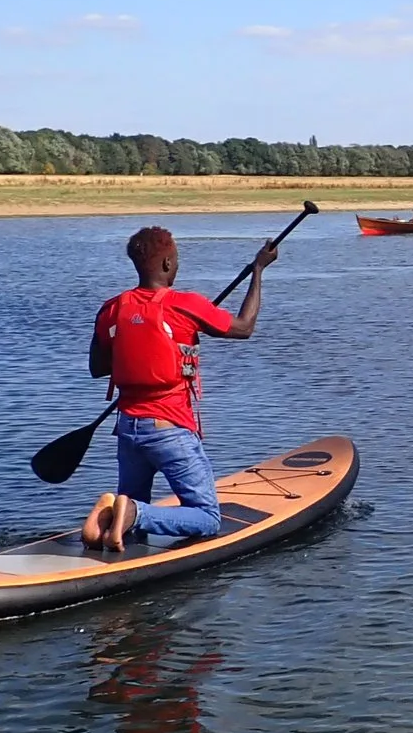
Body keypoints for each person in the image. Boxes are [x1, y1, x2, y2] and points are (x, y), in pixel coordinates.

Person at [82, 225, 279, 551]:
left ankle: (111, 518)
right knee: (207, 518)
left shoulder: (110, 309)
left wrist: (140, 346)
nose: (178, 264)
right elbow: (244, 328)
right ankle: (132, 512)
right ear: (166, 264)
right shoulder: (185, 304)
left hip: (128, 429)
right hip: (168, 428)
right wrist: (258, 270)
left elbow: (97, 368)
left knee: (131, 513)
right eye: (176, 258)